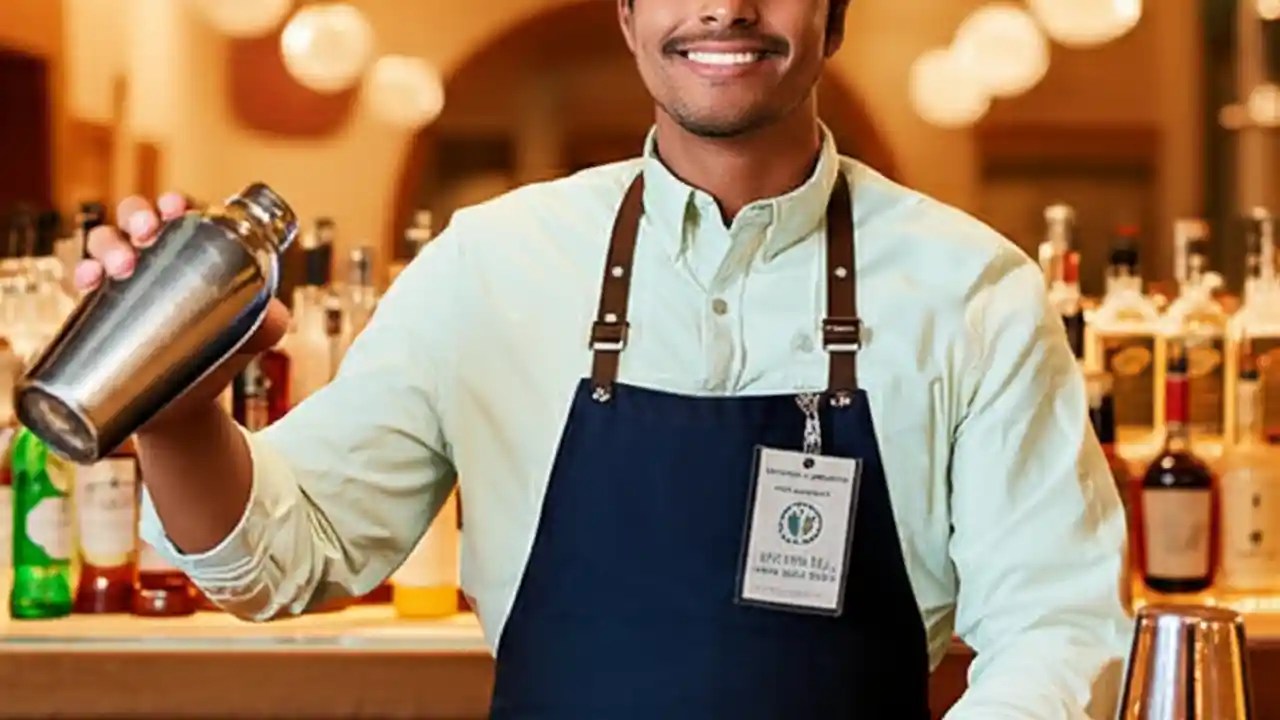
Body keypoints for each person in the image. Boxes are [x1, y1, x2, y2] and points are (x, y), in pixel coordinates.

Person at [80, 0, 1130, 716]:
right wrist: (181, 417)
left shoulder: (973, 290)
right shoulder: (489, 265)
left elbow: (1057, 628)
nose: (723, 6)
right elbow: (288, 557)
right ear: (626, 12)